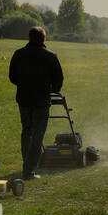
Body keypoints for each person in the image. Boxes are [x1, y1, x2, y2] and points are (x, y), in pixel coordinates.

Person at [7, 26, 64, 179]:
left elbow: (12, 77)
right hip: (41, 101)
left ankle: (26, 163)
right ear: (43, 39)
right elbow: (58, 79)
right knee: (38, 135)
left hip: (24, 99)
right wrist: (53, 89)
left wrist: (23, 84)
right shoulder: (51, 56)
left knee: (27, 132)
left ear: (29, 37)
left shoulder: (18, 54)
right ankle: (29, 170)